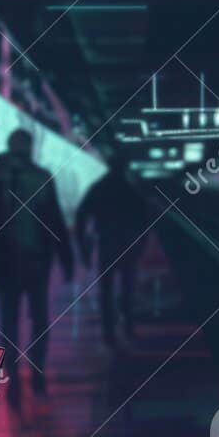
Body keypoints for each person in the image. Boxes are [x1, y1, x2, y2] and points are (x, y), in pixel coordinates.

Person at [0, 130, 74, 401]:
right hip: (37, 261)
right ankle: (37, 374)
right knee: (39, 318)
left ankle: (12, 380)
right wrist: (66, 257)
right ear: (30, 148)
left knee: (9, 321)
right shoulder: (41, 177)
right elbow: (54, 219)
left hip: (7, 263)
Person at [75, 148, 150, 348]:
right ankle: (128, 329)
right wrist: (141, 245)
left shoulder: (98, 188)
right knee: (127, 288)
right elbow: (145, 221)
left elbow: (81, 216)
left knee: (106, 291)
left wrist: (84, 248)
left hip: (107, 244)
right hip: (128, 244)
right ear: (124, 166)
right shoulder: (131, 189)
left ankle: (109, 334)